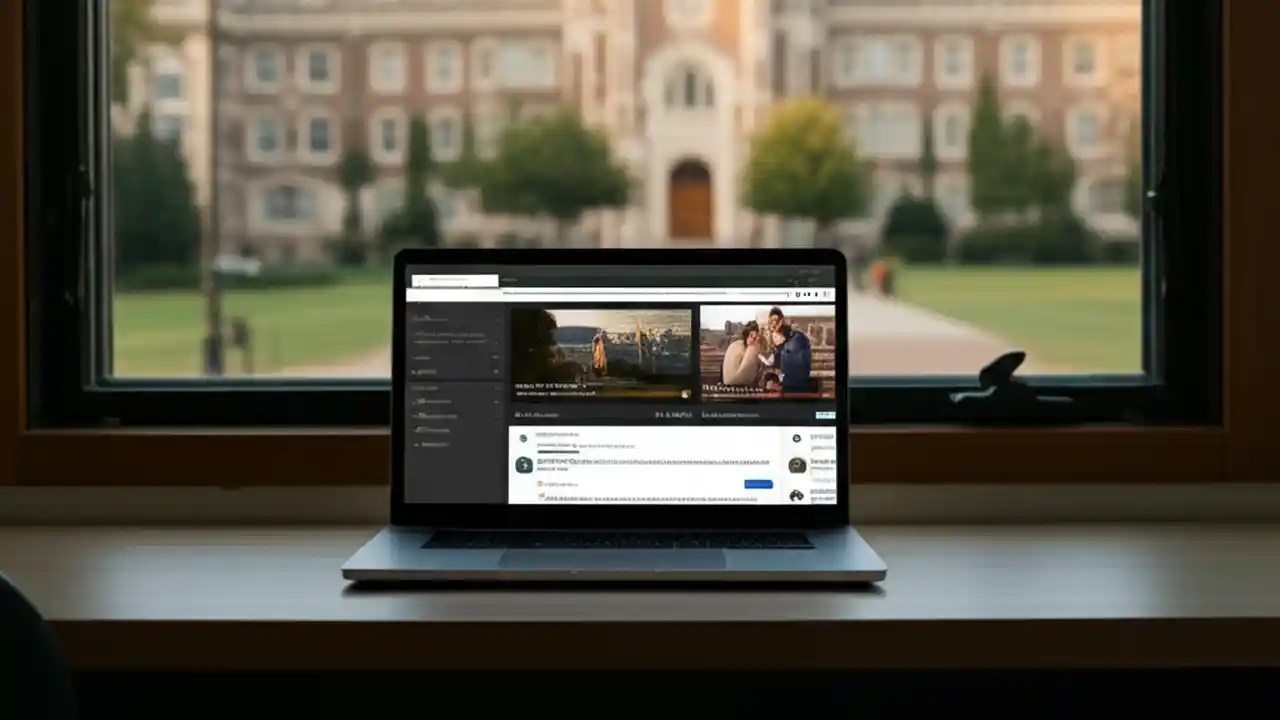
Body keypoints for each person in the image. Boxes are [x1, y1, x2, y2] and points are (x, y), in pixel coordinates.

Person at [771, 322, 813, 394]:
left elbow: (789, 366)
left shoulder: (793, 343)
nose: (774, 339)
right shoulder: (797, 339)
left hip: (794, 386)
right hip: (800, 383)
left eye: (775, 336)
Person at [720, 321, 762, 385]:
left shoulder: (737, 345)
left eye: (756, 337)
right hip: (737, 385)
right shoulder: (741, 347)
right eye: (751, 336)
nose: (754, 339)